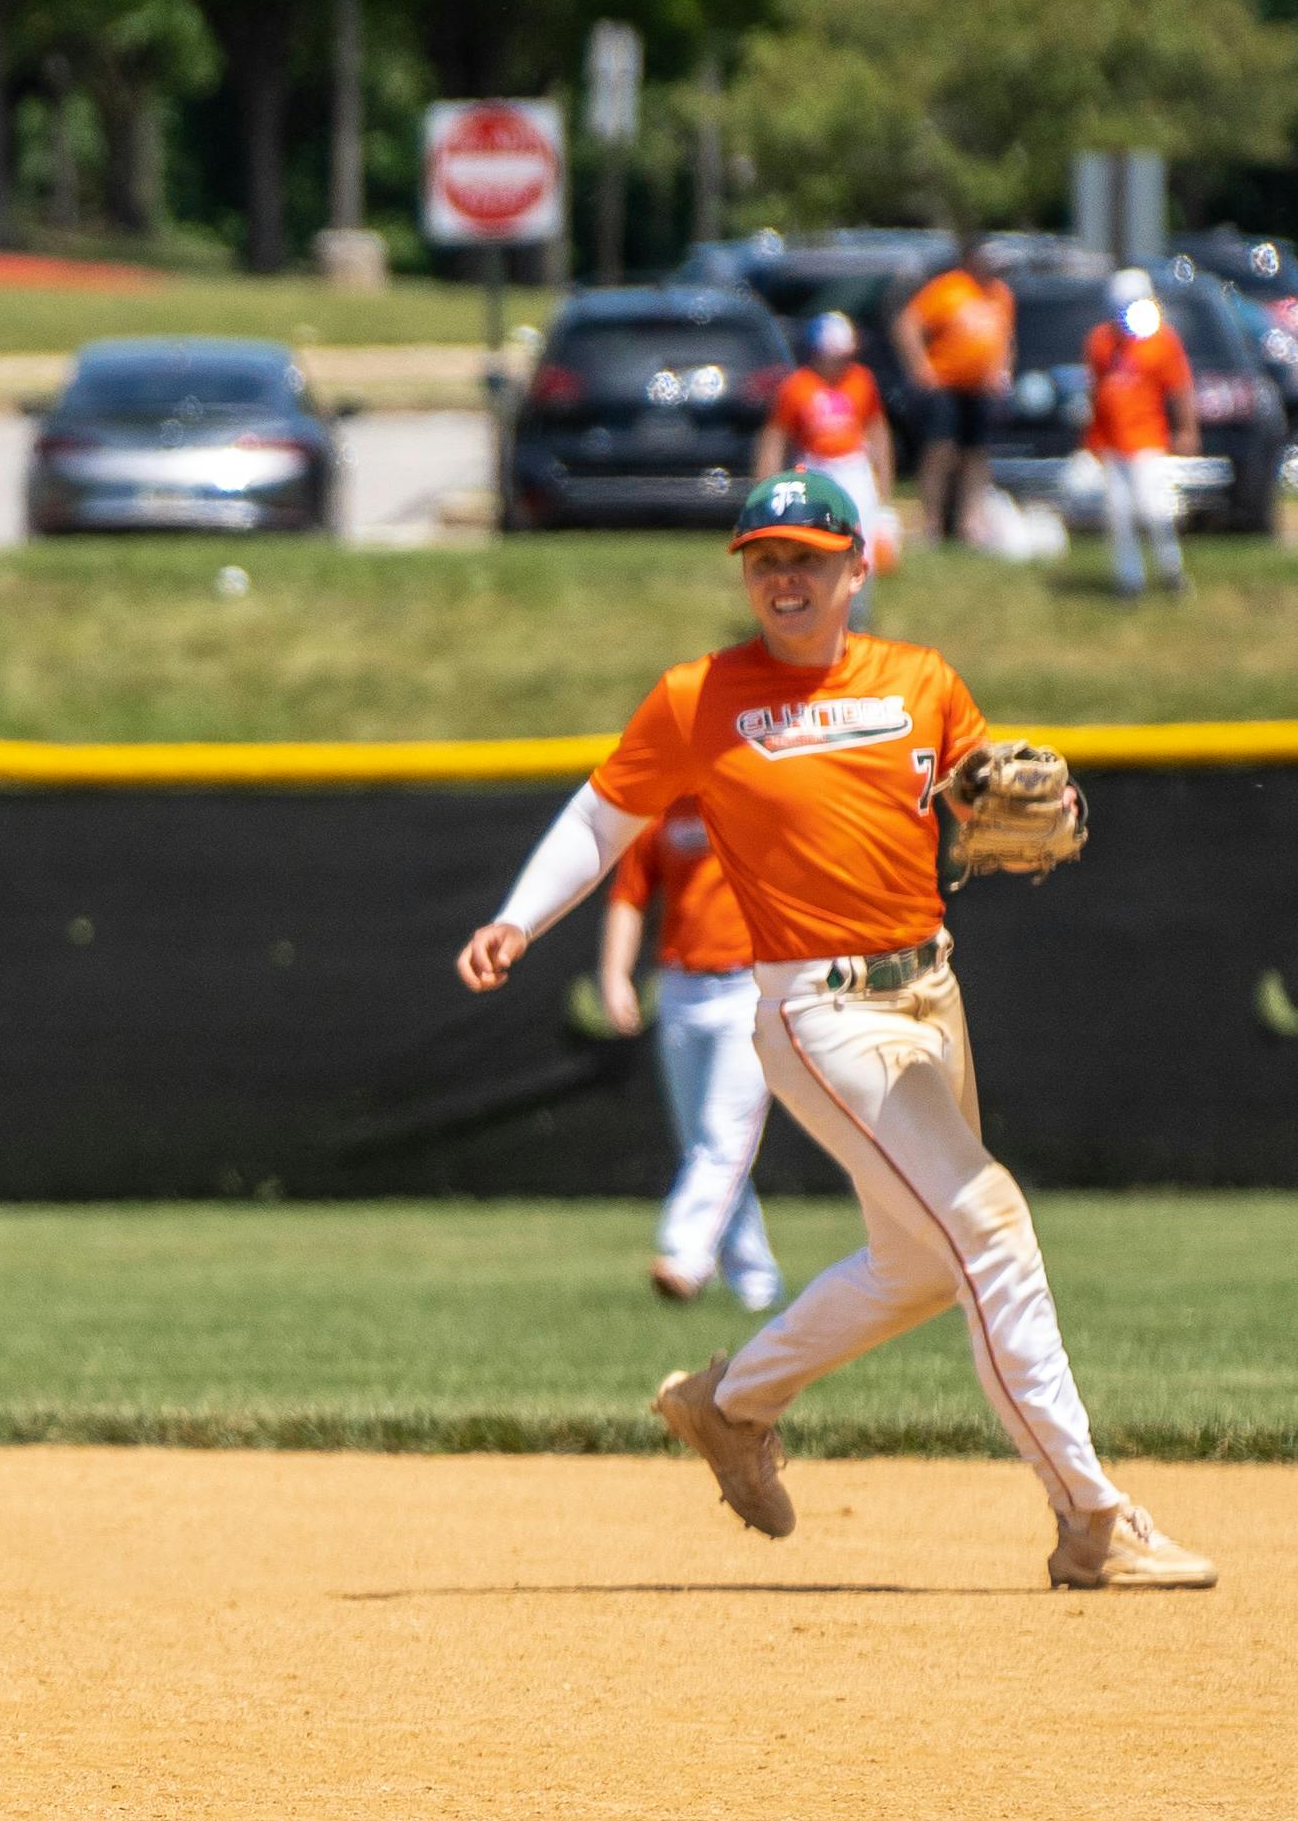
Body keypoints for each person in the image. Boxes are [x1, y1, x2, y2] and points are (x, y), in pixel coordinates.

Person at [454, 469, 1213, 1589]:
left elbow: (987, 797)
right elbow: (600, 820)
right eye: (763, 558)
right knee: (988, 1227)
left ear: (857, 567)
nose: (783, 576)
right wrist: (517, 917)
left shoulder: (920, 682)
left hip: (928, 994)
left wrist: (1043, 813)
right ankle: (1089, 1519)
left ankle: (729, 1404)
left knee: (915, 1264)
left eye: (807, 555)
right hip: (819, 1012)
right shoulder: (696, 697)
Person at [597, 802, 781, 1313]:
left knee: (723, 1134)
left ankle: (685, 1256)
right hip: (681, 987)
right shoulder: (660, 810)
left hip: (751, 983)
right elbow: (629, 896)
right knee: (703, 1144)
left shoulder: (756, 797)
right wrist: (615, 974)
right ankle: (758, 1283)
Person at [754, 311, 898, 577]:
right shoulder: (797, 386)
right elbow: (775, 438)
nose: (841, 361)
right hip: (815, 467)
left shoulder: (862, 379)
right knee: (815, 538)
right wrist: (766, 489)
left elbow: (877, 430)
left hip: (854, 466)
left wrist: (884, 484)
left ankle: (856, 605)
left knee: (860, 537)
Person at [1083, 268, 1198, 600]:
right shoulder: (1100, 341)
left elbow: (1179, 388)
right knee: (1118, 513)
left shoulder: (1162, 341)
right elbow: (1096, 389)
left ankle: (1170, 570)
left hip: (1147, 437)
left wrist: (1186, 429)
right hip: (1111, 440)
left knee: (1154, 508)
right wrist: (1091, 434)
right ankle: (1128, 580)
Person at [892, 235, 1014, 545]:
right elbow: (907, 324)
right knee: (940, 450)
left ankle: (969, 521)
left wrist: (1002, 371)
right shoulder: (949, 288)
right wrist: (921, 367)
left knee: (976, 453)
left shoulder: (1001, 295)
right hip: (945, 384)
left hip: (980, 387)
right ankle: (931, 522)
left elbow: (1005, 339)